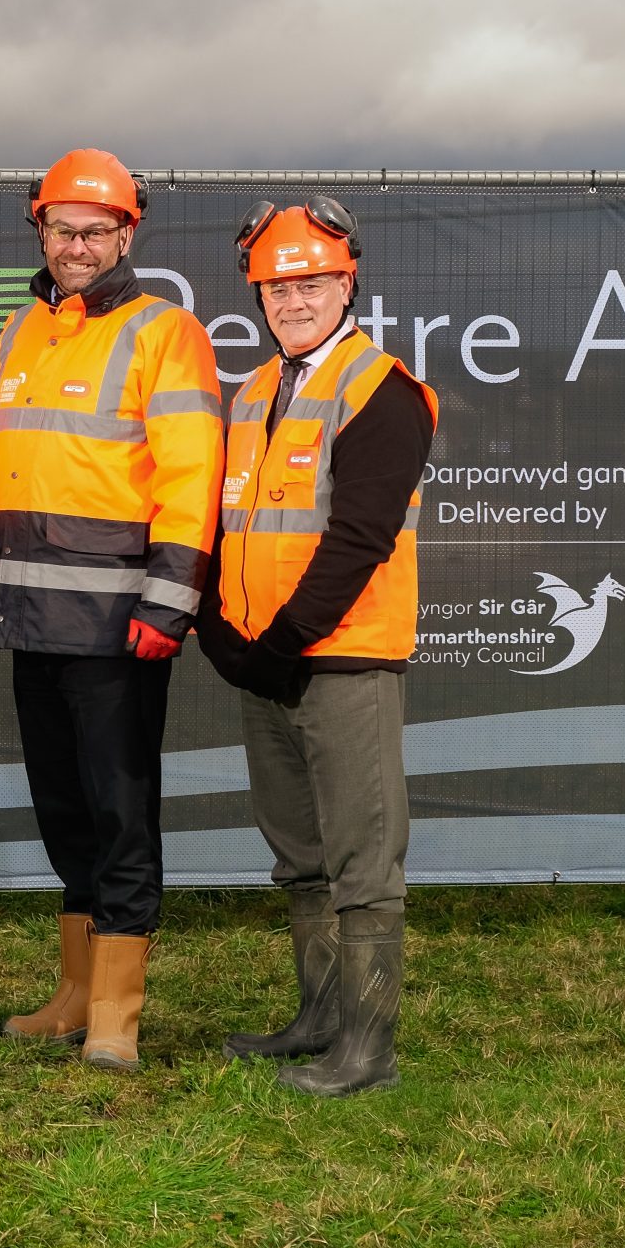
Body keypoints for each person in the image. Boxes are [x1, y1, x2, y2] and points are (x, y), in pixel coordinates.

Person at [0, 149, 222, 1074]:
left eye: (95, 231)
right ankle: (75, 992)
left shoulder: (166, 333)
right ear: (40, 230)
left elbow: (193, 481)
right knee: (63, 808)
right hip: (34, 620)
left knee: (120, 812)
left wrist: (169, 603)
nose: (77, 246)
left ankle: (118, 1007)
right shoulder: (17, 333)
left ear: (127, 234)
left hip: (121, 627)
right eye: (62, 229)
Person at [199, 197, 436, 1096]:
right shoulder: (255, 390)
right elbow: (232, 524)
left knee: (362, 860)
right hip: (265, 663)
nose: (292, 300)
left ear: (347, 282)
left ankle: (367, 1053)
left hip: (341, 660)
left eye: (311, 282)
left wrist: (283, 643)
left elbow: (359, 537)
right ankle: (320, 1019)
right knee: (297, 850)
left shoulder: (384, 390)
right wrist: (224, 633)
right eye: (276, 286)